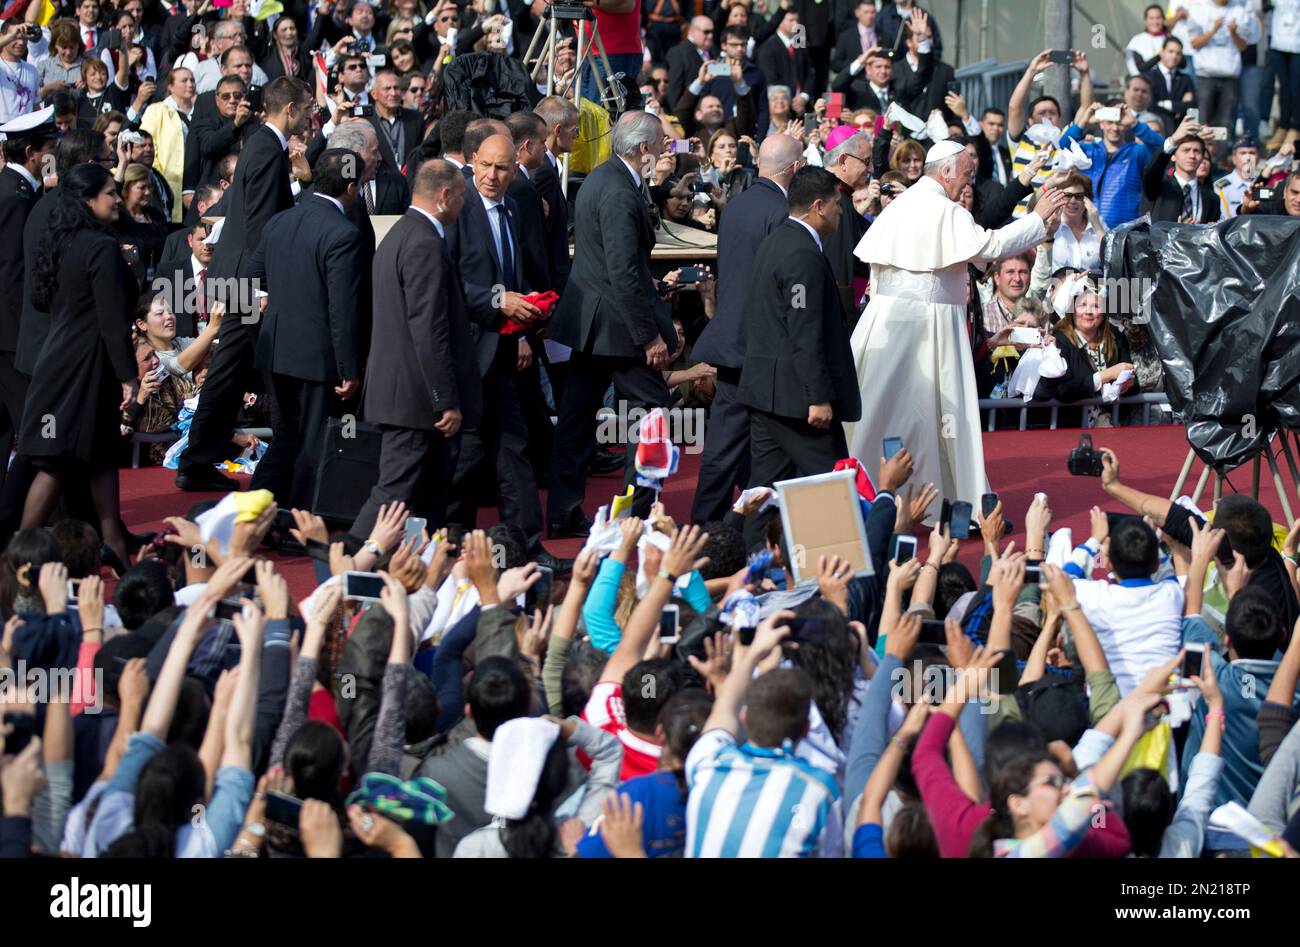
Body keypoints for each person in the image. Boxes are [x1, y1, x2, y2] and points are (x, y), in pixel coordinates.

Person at [848, 140, 1066, 507]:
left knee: (886, 412)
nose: (968, 185)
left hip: (889, 323)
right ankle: (949, 501)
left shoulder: (907, 204)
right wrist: (1037, 219)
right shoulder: (941, 208)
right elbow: (988, 247)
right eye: (965, 175)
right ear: (946, 171)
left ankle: (882, 494)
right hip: (927, 326)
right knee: (936, 416)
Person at [547, 111, 680, 533]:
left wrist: (653, 286)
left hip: (592, 322)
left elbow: (617, 264)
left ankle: (565, 515)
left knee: (576, 420)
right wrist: (649, 337)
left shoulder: (603, 179)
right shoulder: (620, 191)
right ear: (643, 148)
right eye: (660, 142)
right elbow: (622, 271)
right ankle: (636, 517)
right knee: (652, 416)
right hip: (617, 328)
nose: (664, 150)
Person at [176, 76, 311, 492]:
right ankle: (204, 460)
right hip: (245, 282)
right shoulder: (268, 148)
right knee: (233, 373)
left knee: (233, 373)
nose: (310, 115)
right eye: (306, 108)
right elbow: (260, 225)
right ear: (289, 109)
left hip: (238, 278)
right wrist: (261, 288)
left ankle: (200, 460)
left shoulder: (260, 144)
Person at [351, 158, 480, 539]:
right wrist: (445, 399)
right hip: (415, 399)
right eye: (461, 196)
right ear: (444, 196)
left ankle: (418, 563)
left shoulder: (399, 234)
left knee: (425, 494)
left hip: (403, 393)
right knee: (395, 492)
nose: (464, 204)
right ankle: (347, 560)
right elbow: (429, 329)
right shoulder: (423, 243)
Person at [17, 163, 138, 567]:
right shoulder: (100, 247)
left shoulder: (63, 241)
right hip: (83, 368)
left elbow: (40, 301)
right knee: (57, 462)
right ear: (89, 200)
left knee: (101, 457)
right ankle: (18, 558)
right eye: (109, 192)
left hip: (65, 359)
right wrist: (129, 376)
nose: (117, 198)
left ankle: (115, 546)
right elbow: (113, 321)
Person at [690, 133, 801, 524]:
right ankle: (763, 526)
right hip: (765, 348)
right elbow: (784, 284)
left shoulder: (736, 205)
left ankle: (707, 525)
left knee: (727, 444)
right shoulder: (782, 212)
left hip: (733, 340)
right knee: (777, 445)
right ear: (795, 169)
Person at [739, 165, 861, 513]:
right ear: (819, 205)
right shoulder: (801, 252)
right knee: (835, 484)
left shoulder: (779, 241)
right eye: (837, 204)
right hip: (796, 402)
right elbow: (804, 330)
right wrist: (818, 397)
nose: (841, 211)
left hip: (769, 392)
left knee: (762, 491)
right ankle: (843, 561)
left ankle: (737, 554)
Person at [247, 149, 365, 510]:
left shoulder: (279, 222)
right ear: (350, 187)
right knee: (312, 443)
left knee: (286, 438)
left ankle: (250, 515)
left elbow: (253, 277)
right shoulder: (343, 233)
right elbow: (342, 309)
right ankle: (294, 522)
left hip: (275, 350)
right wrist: (349, 368)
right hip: (315, 360)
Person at [684, 610, 841, 857]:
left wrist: (753, 653)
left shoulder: (707, 763)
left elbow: (725, 708)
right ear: (805, 729)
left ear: (744, 718)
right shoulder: (819, 791)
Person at [0, 109, 57, 506]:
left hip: (8, 333)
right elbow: (12, 275)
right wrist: (28, 334)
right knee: (36, 427)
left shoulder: (19, 192)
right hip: (10, 335)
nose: (53, 155)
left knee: (6, 426)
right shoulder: (14, 198)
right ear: (32, 153)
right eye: (49, 149)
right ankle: (42, 513)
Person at [1033, 279, 1135, 427]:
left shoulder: (1115, 337)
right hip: (1071, 428)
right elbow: (1063, 390)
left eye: (1096, 306)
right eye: (1082, 305)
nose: (1088, 311)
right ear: (1072, 309)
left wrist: (1127, 384)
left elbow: (1133, 385)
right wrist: (1106, 376)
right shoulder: (1060, 339)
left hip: (1114, 425)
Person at [1056, 102, 1166, 229]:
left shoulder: (1136, 152)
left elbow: (1162, 148)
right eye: (1109, 122)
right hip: (1088, 225)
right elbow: (1063, 145)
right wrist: (1084, 122)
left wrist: (1135, 123)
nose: (1115, 128)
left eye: (1119, 123)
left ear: (1125, 126)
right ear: (1101, 123)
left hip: (1124, 228)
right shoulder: (1089, 151)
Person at [1186, 0, 1259, 164]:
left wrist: (1233, 32)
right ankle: (1199, 158)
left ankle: (1219, 160)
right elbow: (1194, 43)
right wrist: (1214, 30)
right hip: (1205, 74)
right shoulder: (1199, 10)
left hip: (1229, 75)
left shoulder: (1239, 12)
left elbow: (1243, 46)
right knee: (1203, 120)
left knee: (1225, 122)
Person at [139, 67, 196, 225]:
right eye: (184, 81)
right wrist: (159, 178)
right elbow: (147, 144)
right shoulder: (156, 110)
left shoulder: (199, 111)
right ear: (170, 86)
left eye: (192, 80)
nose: (190, 84)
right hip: (167, 183)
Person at [1141, 114, 1221, 224]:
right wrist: (1173, 140)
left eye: (1197, 151)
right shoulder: (1159, 186)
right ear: (1173, 156)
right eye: (1186, 150)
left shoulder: (1211, 198)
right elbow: (1151, 172)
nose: (1192, 156)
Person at [1043, 172, 1105, 272]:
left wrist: (1097, 226)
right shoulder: (1049, 224)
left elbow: (1110, 259)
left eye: (1079, 196)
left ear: (1087, 199)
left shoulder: (1098, 223)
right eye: (1067, 195)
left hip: (1092, 285)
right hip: (1058, 285)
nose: (1073, 201)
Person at [1214, 137, 1260, 216]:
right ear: (1234, 158)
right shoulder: (1220, 187)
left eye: (1252, 153)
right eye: (1243, 153)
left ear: (1258, 158)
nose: (1248, 158)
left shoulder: (1264, 184)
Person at [1127, 4, 1170, 75]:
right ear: (1145, 20)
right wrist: (1160, 55)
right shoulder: (1137, 40)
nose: (1155, 22)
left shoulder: (1170, 39)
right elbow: (1138, 68)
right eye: (1151, 18)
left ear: (1163, 19)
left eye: (1158, 18)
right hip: (1145, 81)